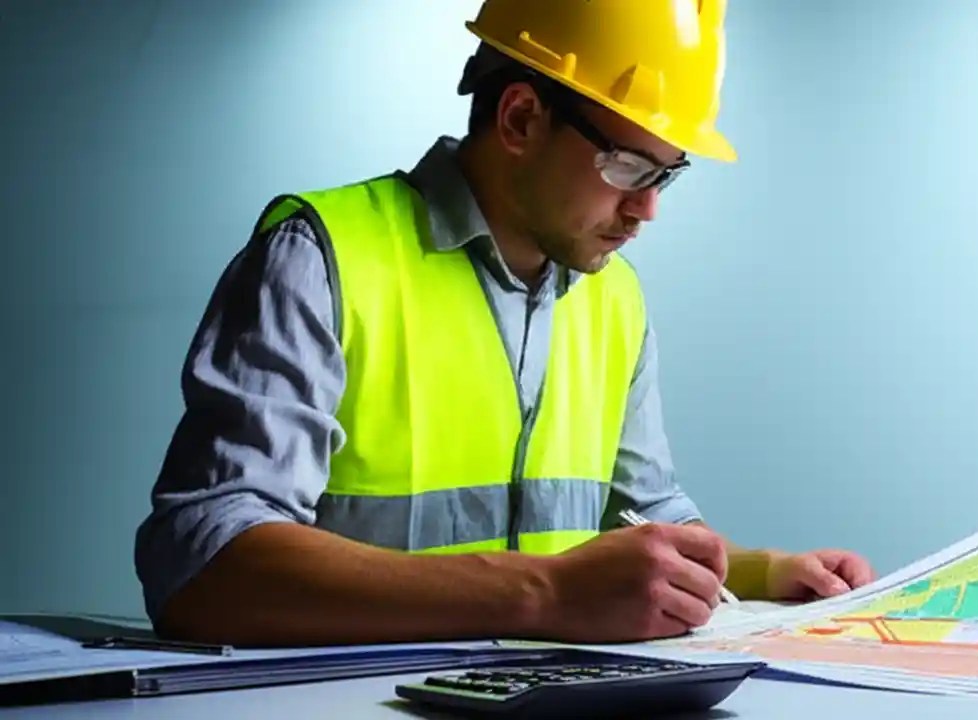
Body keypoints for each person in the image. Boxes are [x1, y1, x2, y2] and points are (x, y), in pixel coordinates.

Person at [134, 0, 874, 648]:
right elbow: (206, 566)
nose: (648, 209)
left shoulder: (613, 298)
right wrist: (542, 594)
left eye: (666, 174)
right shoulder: (322, 259)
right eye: (628, 167)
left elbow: (641, 524)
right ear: (520, 117)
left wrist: (761, 572)